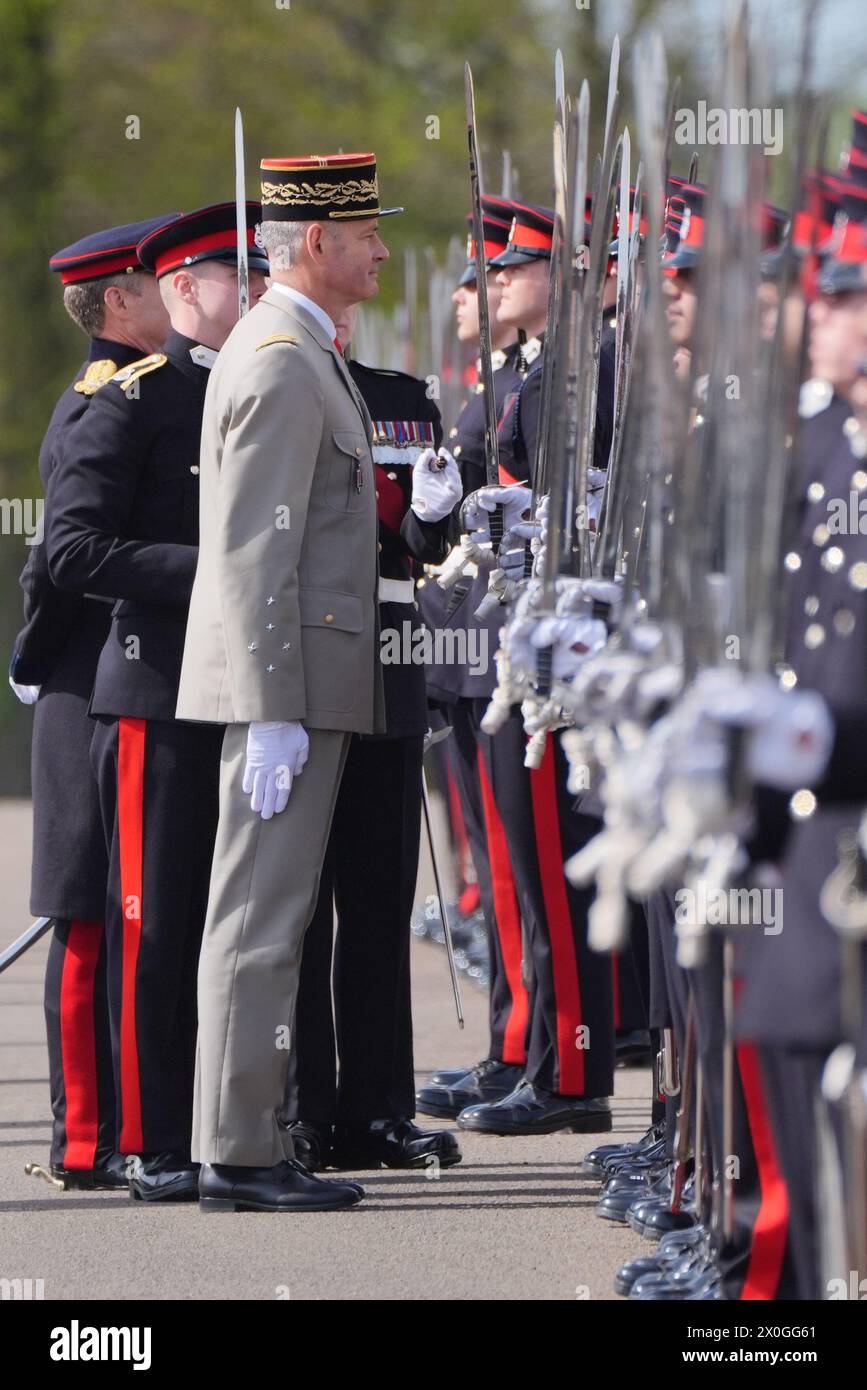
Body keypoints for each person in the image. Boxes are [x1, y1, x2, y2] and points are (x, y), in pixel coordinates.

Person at [175, 152, 401, 1213]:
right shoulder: (278, 358)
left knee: (273, 914)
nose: (382, 250)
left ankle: (251, 1135)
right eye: (366, 234)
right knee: (262, 918)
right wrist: (269, 710)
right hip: (290, 686)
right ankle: (239, 1149)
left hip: (308, 678)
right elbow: (254, 555)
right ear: (318, 242)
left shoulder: (301, 350)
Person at [46, 202, 269, 1202]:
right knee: (152, 923)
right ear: (185, 288)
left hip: (248, 694)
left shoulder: (259, 386)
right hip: (153, 688)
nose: (256, 288)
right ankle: (145, 1137)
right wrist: (214, 572)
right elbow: (73, 550)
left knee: (232, 924)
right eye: (237, 272)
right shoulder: (134, 397)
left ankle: (228, 1124)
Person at [10, 215, 175, 1190]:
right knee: (83, 909)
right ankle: (83, 1132)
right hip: (82, 674)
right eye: (157, 284)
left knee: (116, 906)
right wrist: (34, 653)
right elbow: (57, 559)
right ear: (118, 301)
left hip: (95, 666)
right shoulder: (103, 401)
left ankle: (111, 1119)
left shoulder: (132, 393)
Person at [282, 301, 464, 1172]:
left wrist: (436, 511)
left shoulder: (399, 399)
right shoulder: (276, 386)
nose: (342, 319)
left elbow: (424, 540)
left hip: (388, 659)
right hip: (306, 660)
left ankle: (378, 1109)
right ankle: (301, 1107)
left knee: (379, 896)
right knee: (300, 906)